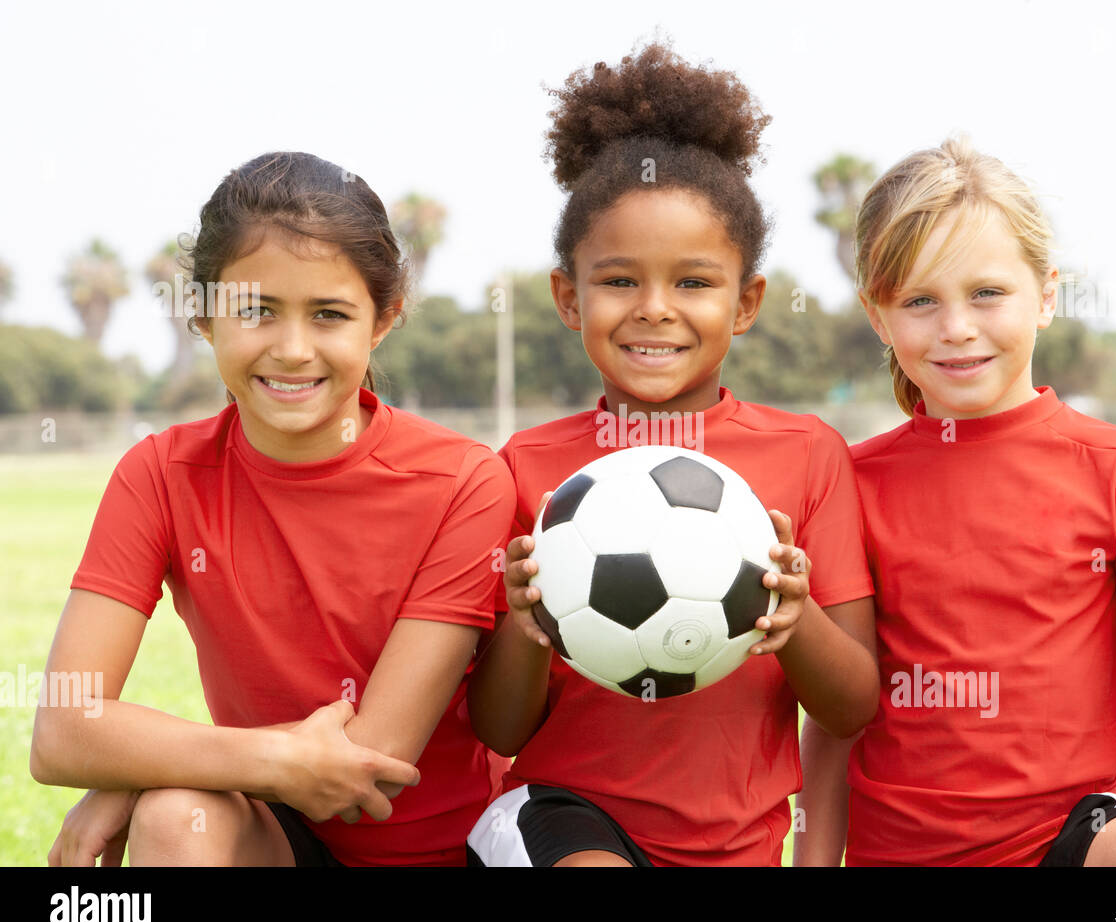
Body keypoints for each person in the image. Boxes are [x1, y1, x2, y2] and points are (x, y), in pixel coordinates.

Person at [31, 151, 515, 867]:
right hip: (281, 838)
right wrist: (171, 775)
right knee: (176, 818)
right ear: (202, 317)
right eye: (255, 311)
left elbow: (366, 765)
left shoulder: (464, 480)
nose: (292, 350)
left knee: (167, 797)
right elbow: (64, 730)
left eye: (328, 314)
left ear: (382, 320)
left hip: (440, 852)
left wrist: (144, 766)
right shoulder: (161, 473)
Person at [464, 43, 879, 867]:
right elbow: (499, 727)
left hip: (739, 841)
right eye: (619, 282)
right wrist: (522, 623)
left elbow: (851, 707)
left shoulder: (807, 455)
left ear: (748, 300)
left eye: (694, 283)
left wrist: (795, 622)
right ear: (567, 297)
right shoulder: (526, 467)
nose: (655, 310)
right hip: (564, 820)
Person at [799, 138, 1116, 867]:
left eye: (987, 293)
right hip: (900, 852)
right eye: (919, 300)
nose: (956, 327)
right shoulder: (845, 484)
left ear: (1045, 295)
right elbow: (835, 717)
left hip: (1070, 837)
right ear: (878, 318)